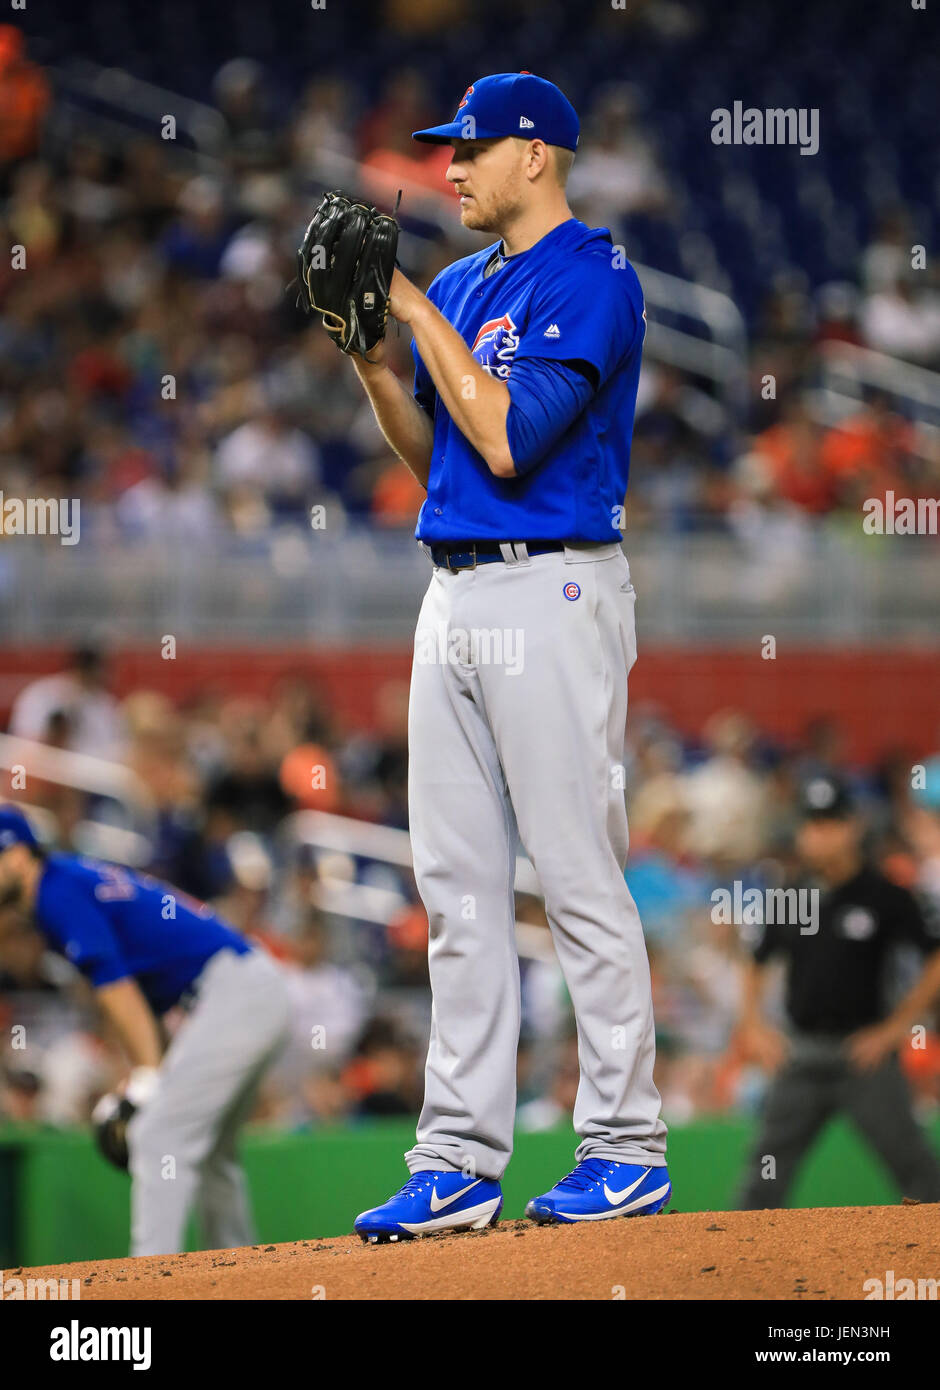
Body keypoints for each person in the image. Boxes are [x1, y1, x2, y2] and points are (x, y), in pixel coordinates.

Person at [340, 72, 670, 1242]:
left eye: (471, 149)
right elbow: (436, 446)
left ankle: (625, 1142)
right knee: (456, 891)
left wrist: (415, 312)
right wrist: (374, 359)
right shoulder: (468, 280)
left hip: (555, 580)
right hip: (456, 588)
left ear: (537, 154)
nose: (451, 169)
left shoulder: (594, 275)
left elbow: (511, 437)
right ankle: (458, 1160)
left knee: (575, 874)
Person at [0, 806, 290, 1256]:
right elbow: (130, 993)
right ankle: (240, 1273)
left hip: (235, 993)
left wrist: (148, 1078)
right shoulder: (67, 880)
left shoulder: (55, 892)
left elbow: (115, 988)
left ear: (19, 855)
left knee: (157, 1136)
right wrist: (145, 1070)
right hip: (243, 989)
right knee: (212, 1152)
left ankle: (150, 1280)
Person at [735, 776, 940, 1209]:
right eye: (812, 823)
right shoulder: (788, 897)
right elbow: (755, 961)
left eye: (830, 822)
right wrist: (753, 1025)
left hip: (864, 1055)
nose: (820, 834)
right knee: (763, 1174)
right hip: (802, 1055)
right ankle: (738, 1267)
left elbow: (934, 958)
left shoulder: (886, 896)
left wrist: (895, 1029)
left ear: (853, 827)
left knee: (919, 1171)